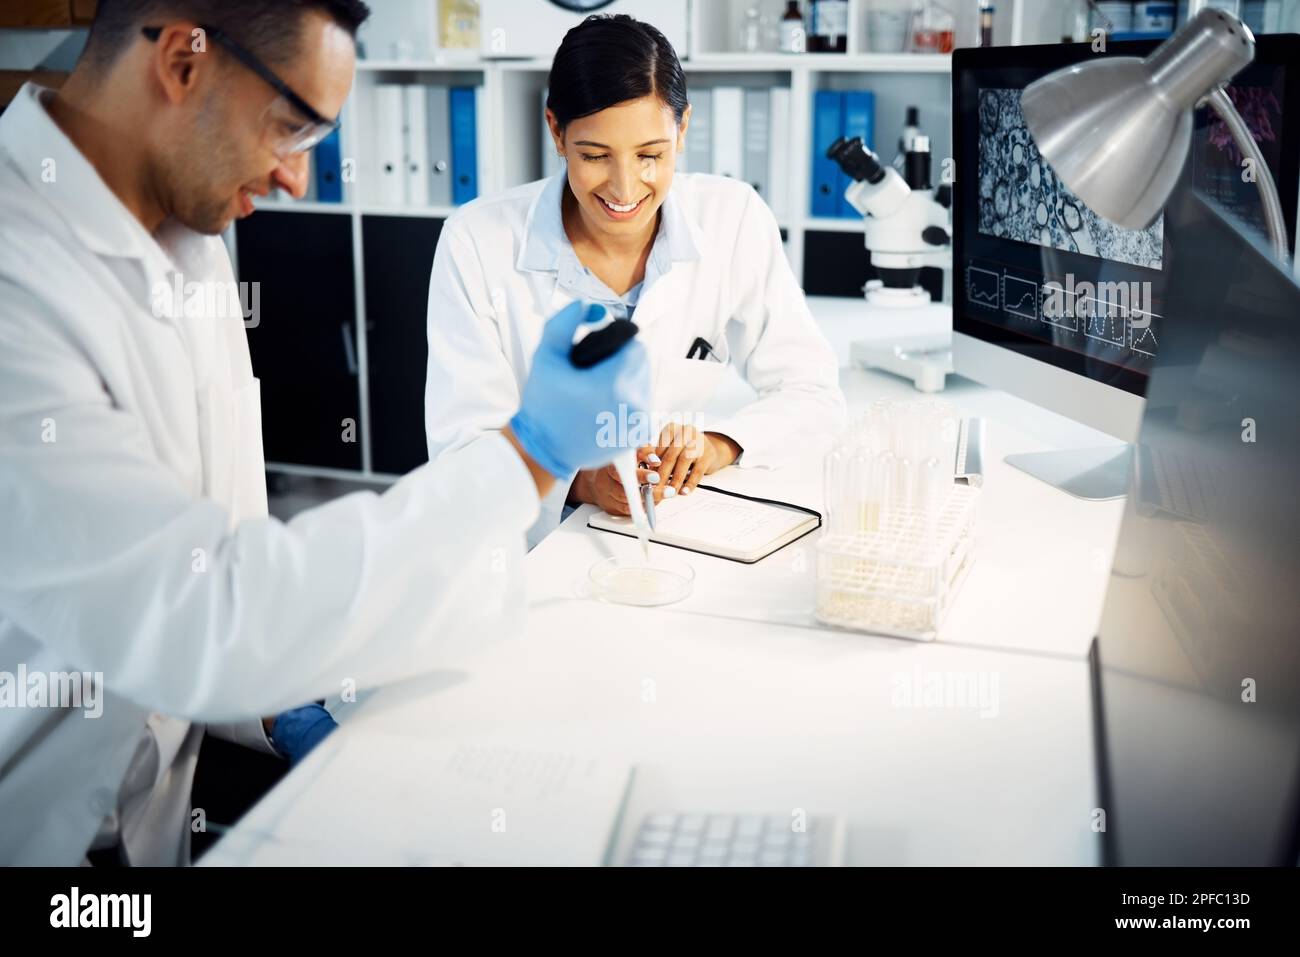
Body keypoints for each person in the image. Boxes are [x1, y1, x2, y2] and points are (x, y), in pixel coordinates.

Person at [0, 0, 648, 866]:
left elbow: (206, 553)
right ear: (183, 63)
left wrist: (285, 702)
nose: (297, 179)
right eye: (290, 128)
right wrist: (530, 452)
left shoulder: (187, 243)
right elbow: (197, 611)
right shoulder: (18, 285)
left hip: (154, 827)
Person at [424, 14, 847, 546]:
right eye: (595, 156)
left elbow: (813, 392)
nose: (625, 188)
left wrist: (718, 444)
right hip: (532, 548)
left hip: (677, 534)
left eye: (651, 155)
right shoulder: (475, 241)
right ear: (556, 131)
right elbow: (462, 449)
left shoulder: (733, 217)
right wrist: (579, 482)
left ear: (683, 129)